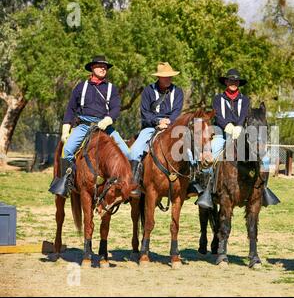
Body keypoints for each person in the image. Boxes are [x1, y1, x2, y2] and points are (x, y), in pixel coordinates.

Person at [196, 68, 279, 209]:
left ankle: (263, 189)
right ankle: (208, 191)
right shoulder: (218, 99)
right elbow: (218, 116)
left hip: (242, 133)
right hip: (221, 132)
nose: (233, 83)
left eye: (236, 81)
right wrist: (227, 126)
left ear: (239, 83)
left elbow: (244, 116)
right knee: (212, 154)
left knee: (264, 158)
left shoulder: (245, 100)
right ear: (226, 82)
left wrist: (239, 127)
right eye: (230, 80)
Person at [49, 55, 130, 197]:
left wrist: (108, 119)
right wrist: (65, 130)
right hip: (84, 125)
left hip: (105, 127)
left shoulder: (111, 88)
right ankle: (66, 183)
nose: (103, 68)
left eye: (105, 66)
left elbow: (116, 107)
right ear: (92, 68)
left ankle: (128, 185)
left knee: (127, 152)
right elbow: (70, 109)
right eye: (99, 66)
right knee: (67, 150)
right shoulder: (81, 87)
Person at [128, 62, 184, 195]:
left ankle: (193, 183)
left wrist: (169, 122)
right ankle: (134, 183)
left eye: (170, 76)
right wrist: (158, 121)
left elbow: (177, 111)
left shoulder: (178, 91)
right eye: (165, 76)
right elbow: (145, 112)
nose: (168, 79)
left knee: (190, 149)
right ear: (159, 77)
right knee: (135, 151)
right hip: (151, 127)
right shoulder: (148, 90)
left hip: (172, 126)